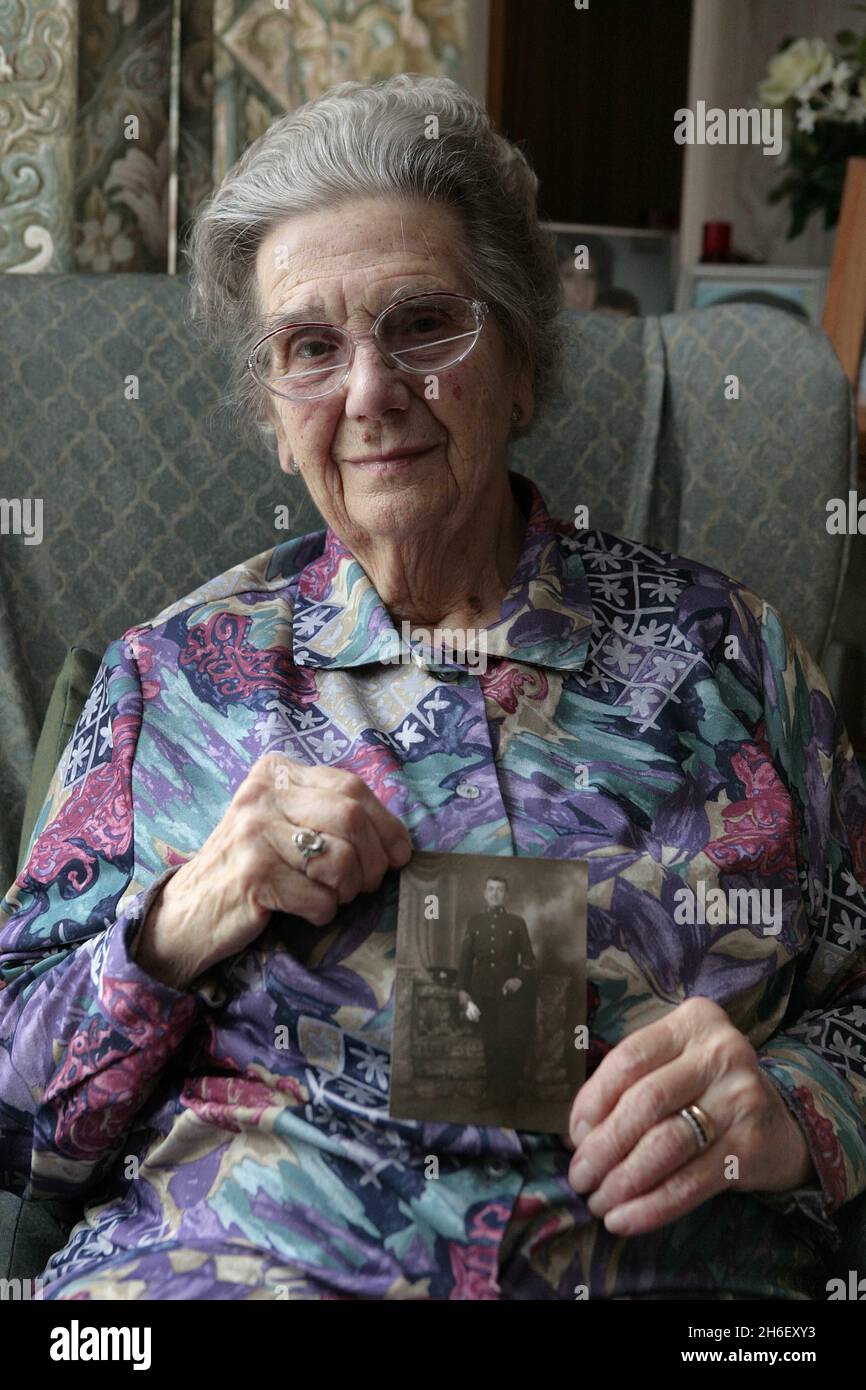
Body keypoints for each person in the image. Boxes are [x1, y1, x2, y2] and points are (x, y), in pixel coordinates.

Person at [0, 73, 865, 1301]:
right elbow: (13, 1115)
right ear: (270, 408)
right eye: (310, 348)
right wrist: (177, 920)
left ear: (519, 363)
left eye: (420, 325)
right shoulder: (177, 676)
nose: (368, 393)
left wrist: (793, 1106)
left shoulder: (733, 658)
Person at [457, 876, 536, 1108]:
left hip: (509, 995)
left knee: (509, 1042)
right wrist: (463, 991)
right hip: (482, 994)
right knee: (490, 1043)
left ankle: (508, 1096)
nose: (494, 894)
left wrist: (518, 980)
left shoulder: (517, 923)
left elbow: (529, 959)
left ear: (506, 895)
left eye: (500, 890)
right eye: (490, 889)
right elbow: (465, 962)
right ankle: (492, 1095)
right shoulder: (475, 923)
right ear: (484, 893)